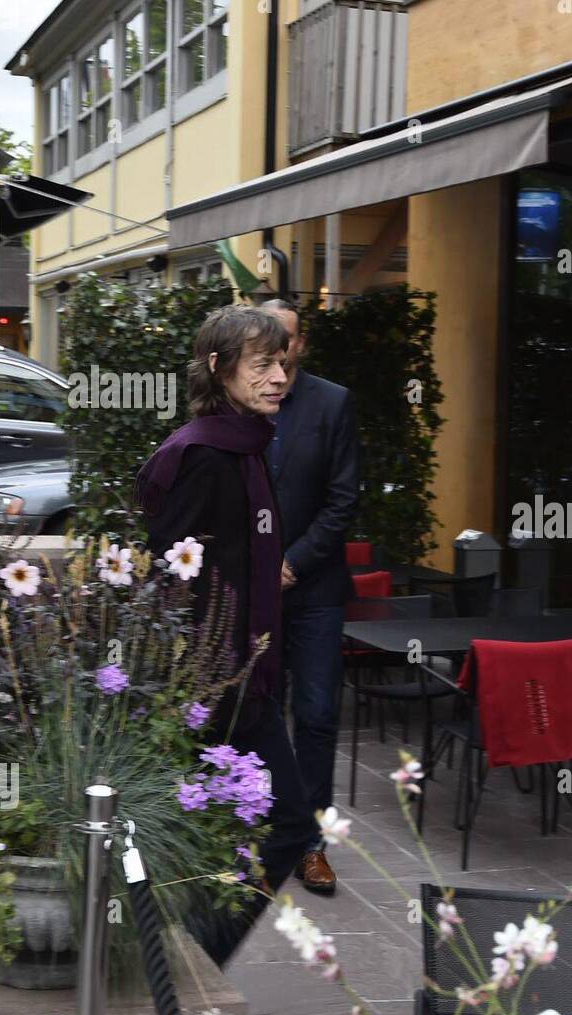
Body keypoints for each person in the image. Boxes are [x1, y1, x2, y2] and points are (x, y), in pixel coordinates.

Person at [136, 304, 318, 965]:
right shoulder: (204, 455)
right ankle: (194, 963)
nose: (279, 376)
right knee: (289, 823)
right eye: (263, 364)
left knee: (229, 824)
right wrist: (200, 677)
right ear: (220, 368)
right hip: (218, 680)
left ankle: (181, 957)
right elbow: (168, 575)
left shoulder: (245, 445)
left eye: (284, 363)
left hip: (246, 674)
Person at [259, 297, 360, 896]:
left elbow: (344, 499)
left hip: (315, 586)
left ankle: (312, 843)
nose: (277, 349)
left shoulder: (332, 403)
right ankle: (268, 836)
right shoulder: (239, 401)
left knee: (317, 717)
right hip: (254, 591)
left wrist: (292, 564)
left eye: (286, 338)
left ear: (301, 344)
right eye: (265, 337)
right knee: (259, 714)